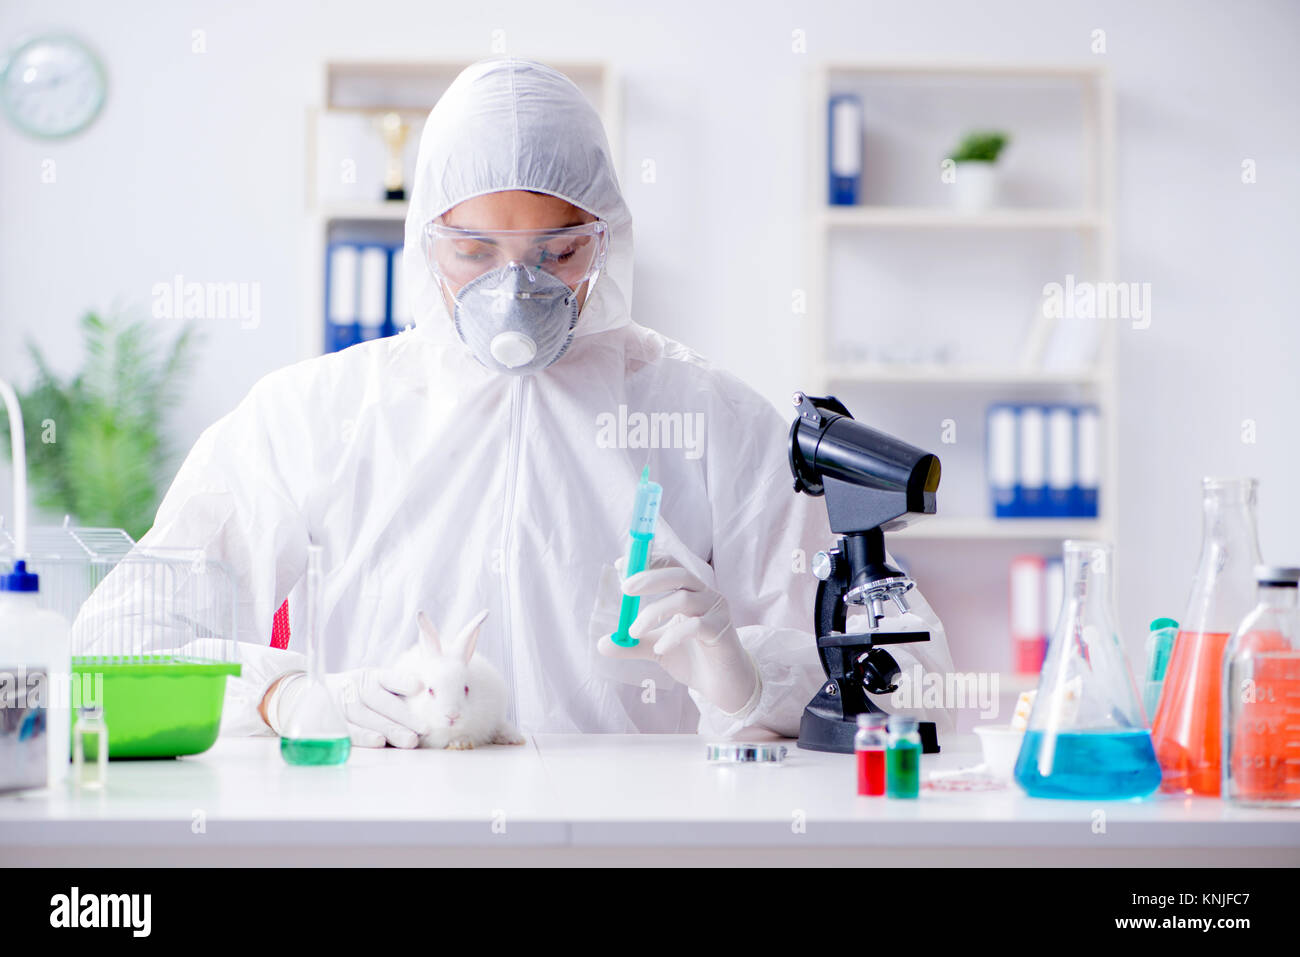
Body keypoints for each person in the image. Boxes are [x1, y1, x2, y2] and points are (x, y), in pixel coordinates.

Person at [123, 58, 956, 746]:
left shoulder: (707, 417)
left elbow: (919, 684)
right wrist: (293, 696)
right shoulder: (317, 413)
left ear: (606, 240)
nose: (513, 290)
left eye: (555, 252)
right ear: (425, 243)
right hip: (387, 839)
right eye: (475, 251)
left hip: (636, 845)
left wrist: (746, 677)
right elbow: (126, 640)